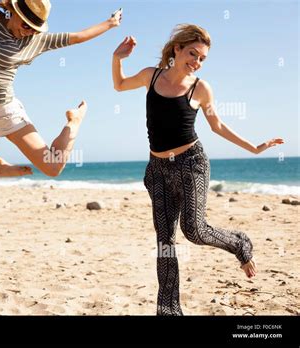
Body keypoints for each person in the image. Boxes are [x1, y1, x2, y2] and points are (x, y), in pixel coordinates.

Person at [112, 24, 284, 315]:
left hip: (191, 164)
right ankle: (168, 310)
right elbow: (119, 85)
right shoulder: (150, 75)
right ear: (177, 49)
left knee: (194, 230)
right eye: (193, 53)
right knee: (165, 242)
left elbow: (217, 126)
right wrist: (117, 58)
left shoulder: (200, 87)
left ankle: (239, 243)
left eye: (202, 58)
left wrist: (254, 148)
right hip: (157, 170)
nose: (197, 61)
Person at [0, 0, 122, 178]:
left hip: (6, 115)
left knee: (53, 168)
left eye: (35, 28)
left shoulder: (35, 41)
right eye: (26, 24)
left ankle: (74, 122)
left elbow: (78, 37)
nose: (29, 31)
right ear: (14, 11)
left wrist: (110, 23)